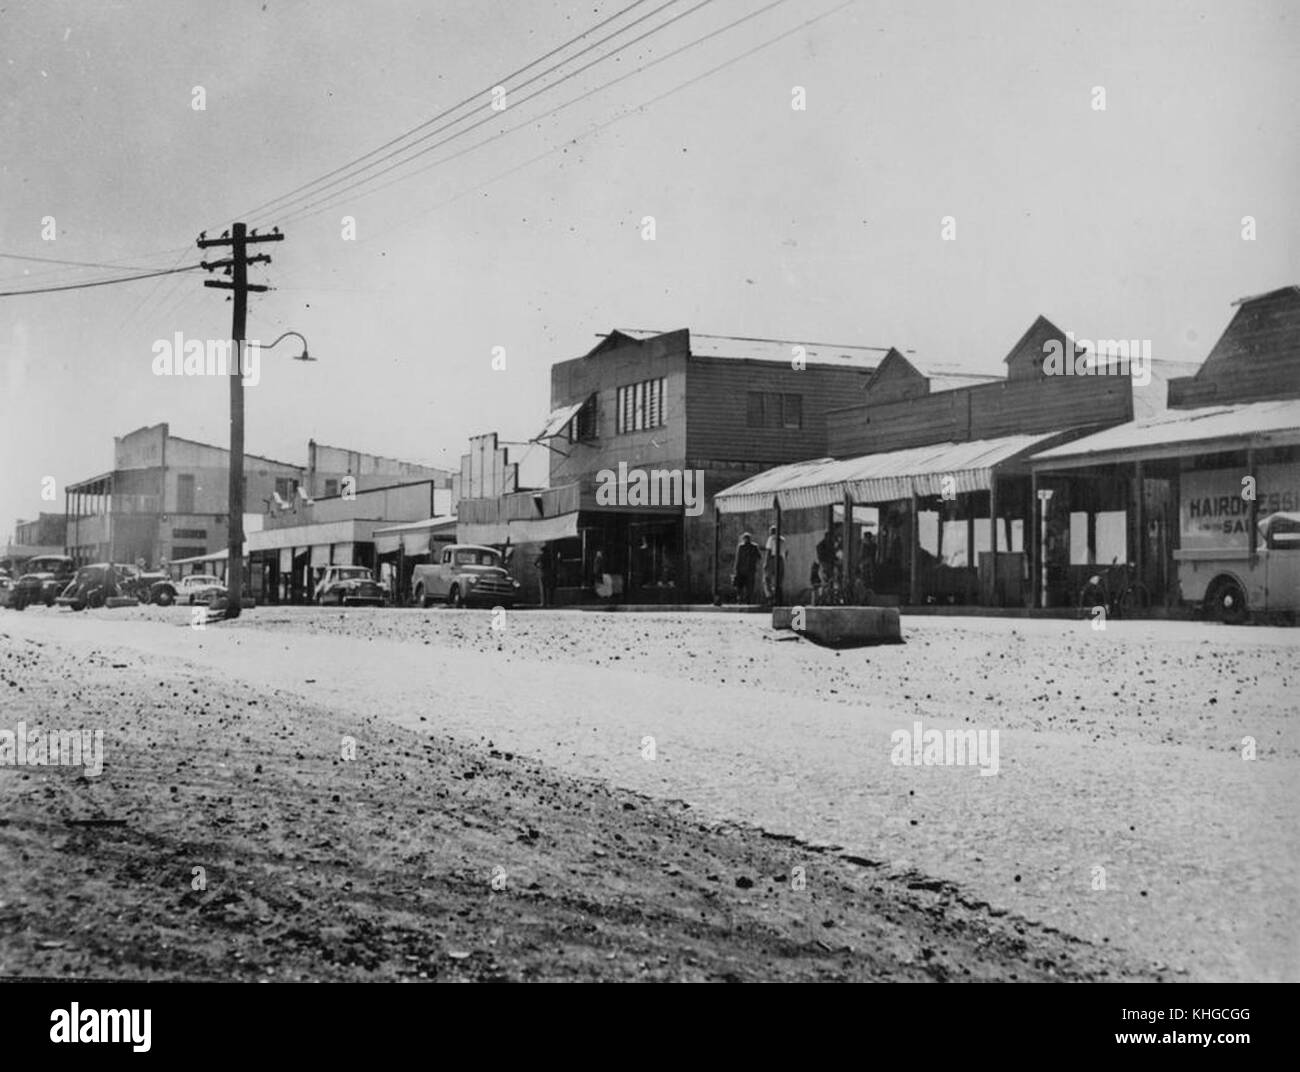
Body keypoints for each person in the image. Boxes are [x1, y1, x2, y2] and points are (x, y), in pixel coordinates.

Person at [732, 532, 761, 603]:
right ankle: (743, 599)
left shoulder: (747, 547)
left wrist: (735, 568)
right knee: (743, 586)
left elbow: (738, 558)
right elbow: (738, 558)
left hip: (745, 570)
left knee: (745, 586)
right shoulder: (749, 546)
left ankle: (744, 599)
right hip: (745, 570)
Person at [762, 523, 786, 601]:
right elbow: (786, 552)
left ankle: (770, 596)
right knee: (778, 581)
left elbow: (768, 551)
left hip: (772, 559)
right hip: (781, 559)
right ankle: (779, 597)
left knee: (766, 579)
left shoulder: (771, 539)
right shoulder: (783, 539)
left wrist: (766, 562)